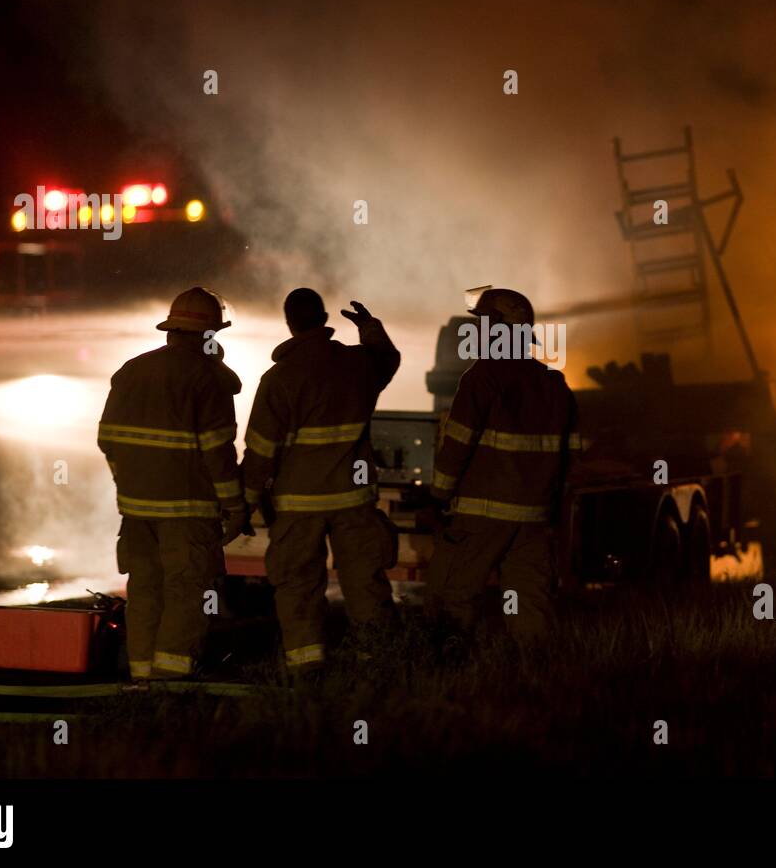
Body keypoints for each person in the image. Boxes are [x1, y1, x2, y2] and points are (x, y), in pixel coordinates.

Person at [242, 289, 400, 674]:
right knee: (365, 583)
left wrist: (242, 505)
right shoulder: (357, 365)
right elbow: (387, 360)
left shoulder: (278, 380)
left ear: (290, 324)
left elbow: (260, 451)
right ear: (326, 317)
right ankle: (378, 666)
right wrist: (369, 328)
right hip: (353, 500)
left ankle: (306, 668)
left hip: (298, 506)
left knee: (297, 585)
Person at [97, 287, 248, 680]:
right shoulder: (207, 380)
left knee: (145, 591)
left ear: (170, 330)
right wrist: (233, 506)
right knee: (186, 592)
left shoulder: (131, 371)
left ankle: (141, 679)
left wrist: (127, 483)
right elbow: (218, 451)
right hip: (189, 511)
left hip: (135, 509)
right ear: (210, 335)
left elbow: (108, 441)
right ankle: (172, 682)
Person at [426, 288, 578, 648]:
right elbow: (570, 457)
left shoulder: (482, 378)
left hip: (481, 516)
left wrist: (437, 497)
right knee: (530, 605)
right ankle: (535, 682)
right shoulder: (555, 385)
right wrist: (553, 508)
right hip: (533, 519)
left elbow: (458, 444)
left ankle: (448, 675)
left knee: (453, 595)